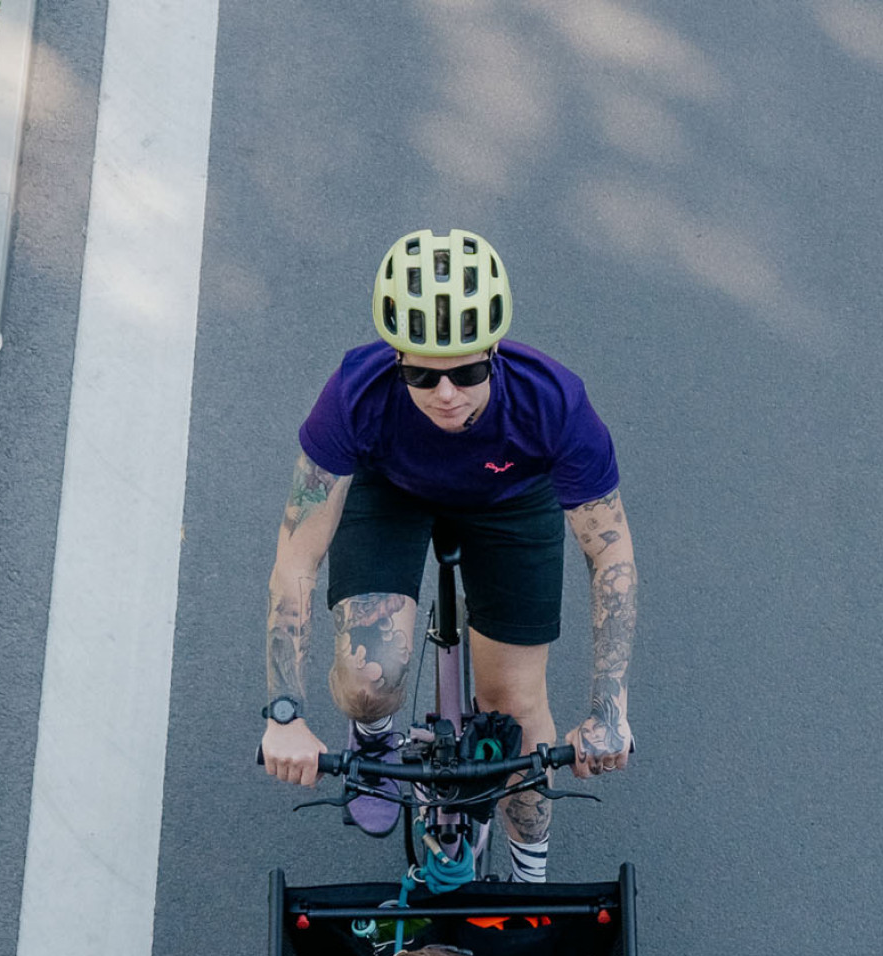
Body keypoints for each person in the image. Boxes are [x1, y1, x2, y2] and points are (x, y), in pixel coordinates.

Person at [259, 226, 636, 882]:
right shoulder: (354, 395)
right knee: (368, 678)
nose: (446, 394)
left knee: (515, 711)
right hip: (393, 488)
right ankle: (377, 739)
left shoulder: (554, 404)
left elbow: (612, 561)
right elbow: (296, 558)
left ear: (494, 350)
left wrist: (608, 708)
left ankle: (529, 870)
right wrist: (285, 713)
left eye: (466, 371)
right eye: (421, 374)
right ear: (395, 357)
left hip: (512, 497)